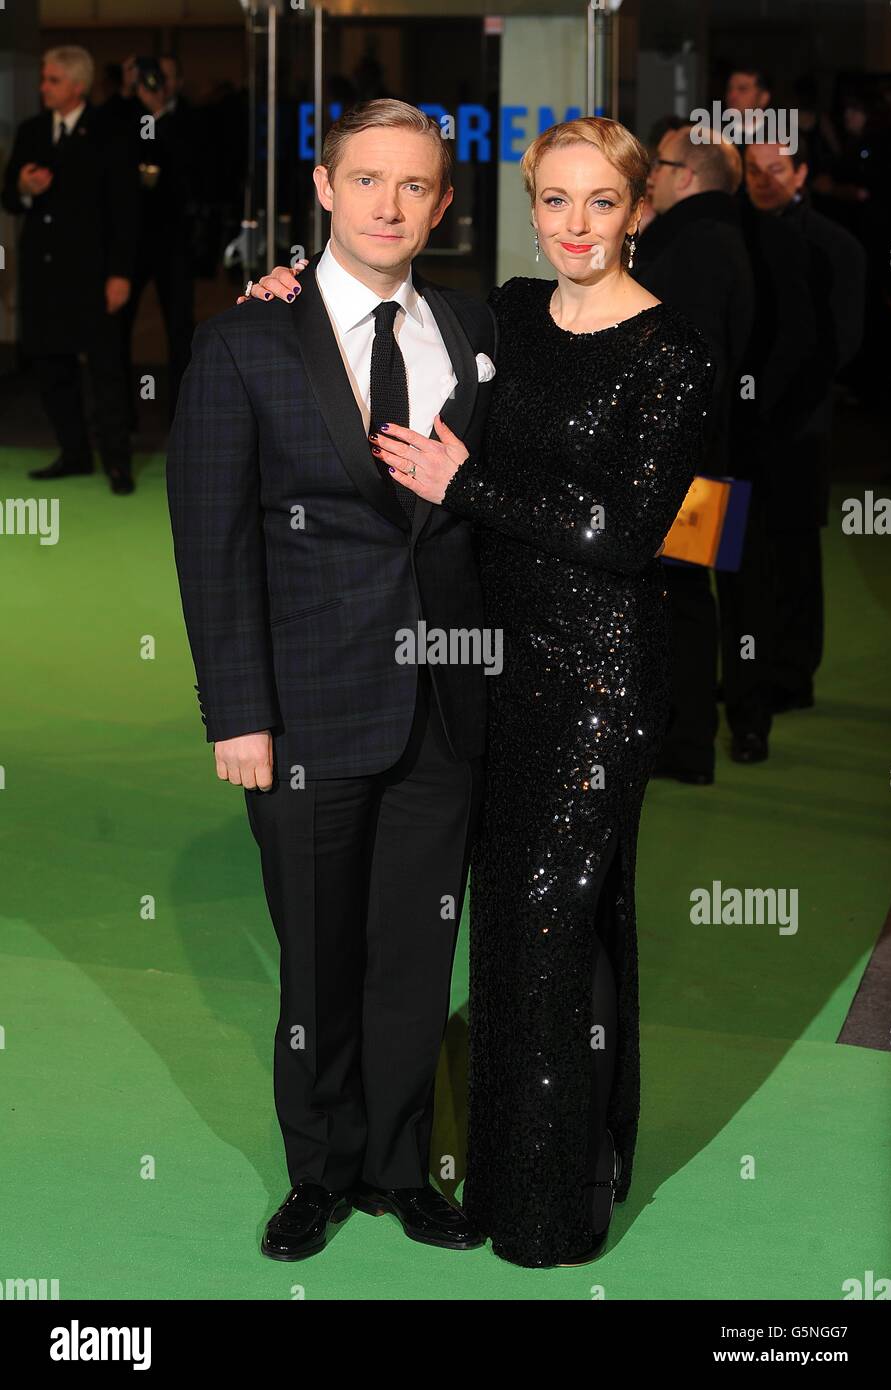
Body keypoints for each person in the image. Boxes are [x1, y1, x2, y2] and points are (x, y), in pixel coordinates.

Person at [250, 116, 715, 1267]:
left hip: (597, 681)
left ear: (636, 210)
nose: (574, 226)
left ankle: (549, 1206)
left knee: (555, 923)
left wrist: (472, 485)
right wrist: (291, 283)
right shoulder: (501, 312)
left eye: (599, 203)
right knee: (500, 933)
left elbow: (626, 531)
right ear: (526, 207)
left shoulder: (672, 348)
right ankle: (502, 1173)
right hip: (485, 676)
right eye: (553, 201)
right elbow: (375, 301)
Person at [167, 100, 496, 1262]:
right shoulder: (244, 341)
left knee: (416, 954)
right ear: (322, 185)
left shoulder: (469, 330)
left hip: (446, 709)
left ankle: (402, 1169)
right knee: (318, 956)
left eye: (414, 186)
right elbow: (212, 547)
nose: (389, 205)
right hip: (303, 705)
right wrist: (238, 712)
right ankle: (319, 1170)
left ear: (443, 204)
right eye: (367, 180)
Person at [635, 126, 754, 781]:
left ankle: (683, 743)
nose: (650, 173)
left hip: (687, 460)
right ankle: (684, 739)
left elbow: (685, 359)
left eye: (661, 163)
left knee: (681, 598)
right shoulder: (717, 239)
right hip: (706, 453)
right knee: (685, 595)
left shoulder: (699, 246)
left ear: (687, 175)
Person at [743, 135, 865, 711]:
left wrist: (778, 410)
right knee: (743, 554)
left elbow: (840, 343)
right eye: (754, 169)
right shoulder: (736, 240)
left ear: (802, 174)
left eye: (777, 169)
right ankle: (750, 668)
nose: (764, 179)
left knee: (792, 555)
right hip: (745, 428)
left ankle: (792, 674)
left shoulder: (836, 246)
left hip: (798, 428)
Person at [1, 46, 137, 493]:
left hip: (93, 274)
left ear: (77, 85)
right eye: (44, 79)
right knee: (50, 366)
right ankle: (74, 452)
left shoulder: (110, 133)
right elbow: (8, 198)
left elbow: (124, 210)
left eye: (53, 80)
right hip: (43, 274)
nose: (43, 87)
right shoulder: (31, 131)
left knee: (105, 369)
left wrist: (120, 274)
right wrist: (22, 188)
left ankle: (117, 461)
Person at [119, 57, 196, 423]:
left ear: (177, 81)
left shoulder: (190, 119)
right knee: (118, 325)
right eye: (149, 75)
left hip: (174, 238)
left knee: (180, 327)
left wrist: (157, 114)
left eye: (163, 76)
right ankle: (122, 412)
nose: (154, 81)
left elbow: (189, 167)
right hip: (131, 240)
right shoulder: (126, 115)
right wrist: (127, 91)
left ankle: (179, 413)